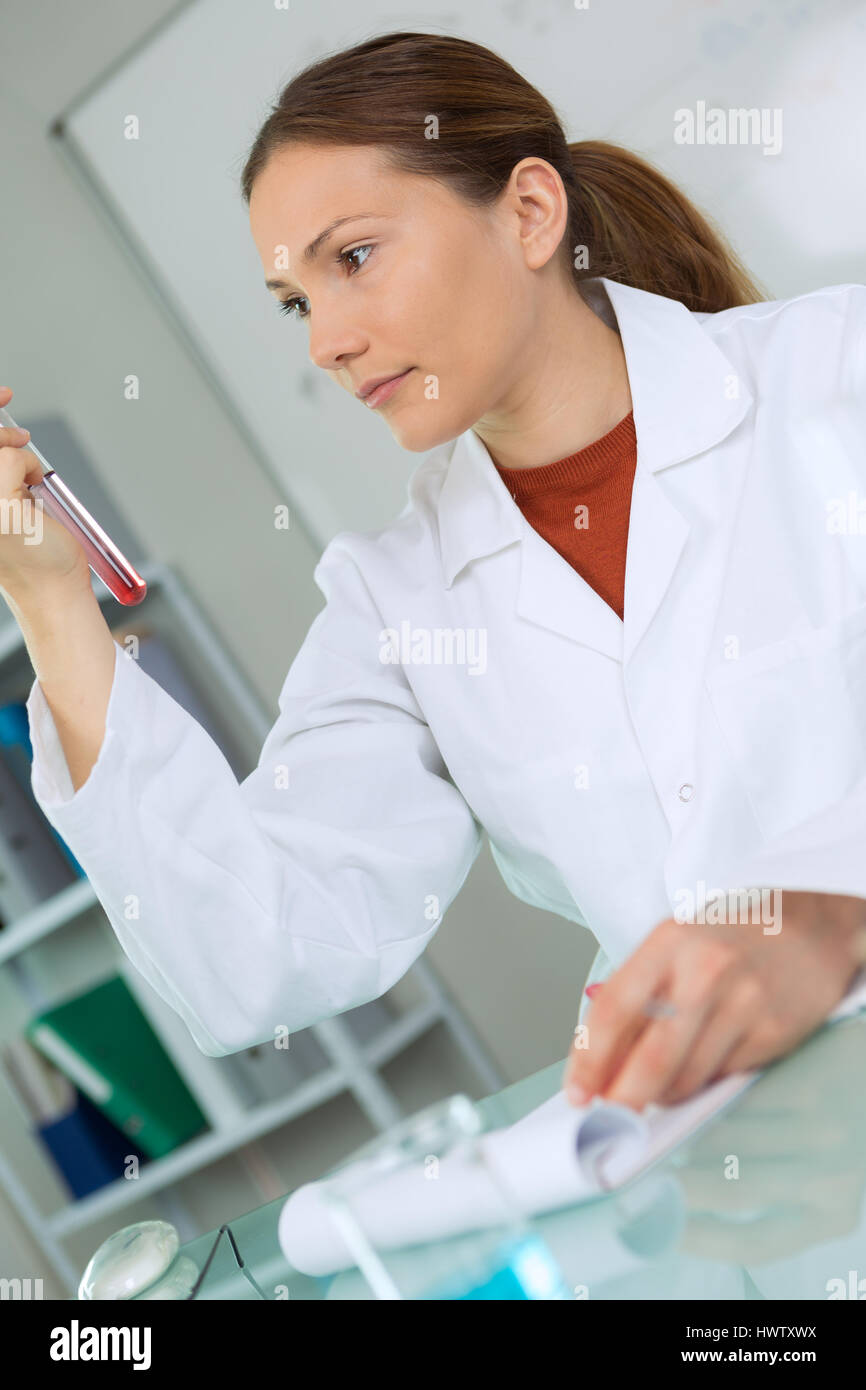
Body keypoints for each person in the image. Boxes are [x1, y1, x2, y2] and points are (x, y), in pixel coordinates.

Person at [1, 31, 865, 1116]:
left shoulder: (835, 376)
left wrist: (833, 904)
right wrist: (46, 598)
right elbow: (253, 964)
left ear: (530, 214)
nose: (323, 343)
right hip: (727, 1173)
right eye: (294, 303)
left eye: (351, 258)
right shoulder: (395, 602)